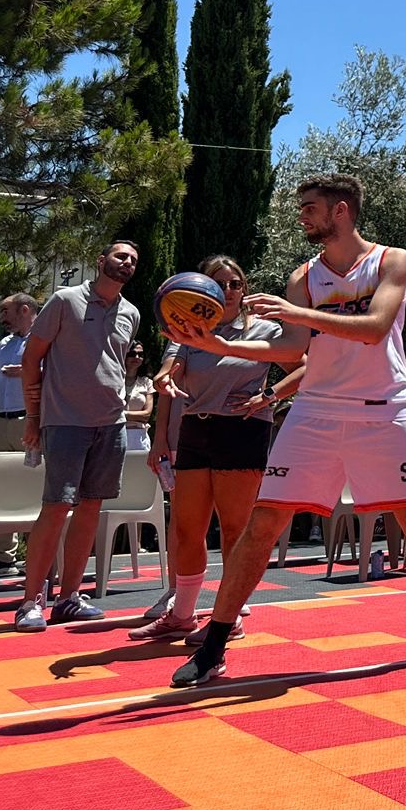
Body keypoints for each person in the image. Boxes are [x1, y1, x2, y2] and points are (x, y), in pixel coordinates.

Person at [165, 173, 406, 686]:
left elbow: (373, 329)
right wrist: (221, 347)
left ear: (341, 210)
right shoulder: (304, 276)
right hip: (317, 409)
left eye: (310, 208)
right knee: (263, 524)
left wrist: (298, 313)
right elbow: (289, 350)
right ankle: (213, 644)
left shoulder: (392, 260)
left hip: (384, 408)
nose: (301, 216)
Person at [131, 256, 293, 642]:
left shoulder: (266, 330)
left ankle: (228, 616)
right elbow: (168, 370)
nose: (228, 290)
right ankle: (182, 614)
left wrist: (269, 394)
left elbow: (306, 367)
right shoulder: (192, 331)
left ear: (244, 287)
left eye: (234, 283)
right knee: (187, 529)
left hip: (241, 430)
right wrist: (164, 381)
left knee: (235, 530)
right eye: (219, 284)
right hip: (195, 430)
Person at [15, 240, 142, 631]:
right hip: (65, 421)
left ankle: (69, 597)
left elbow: (115, 367)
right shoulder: (65, 300)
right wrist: (33, 417)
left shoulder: (131, 313)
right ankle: (30, 601)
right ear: (100, 259)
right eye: (121, 256)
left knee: (91, 509)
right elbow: (31, 358)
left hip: (112, 423)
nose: (127, 263)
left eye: (133, 260)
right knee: (56, 507)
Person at [0, 293, 38, 451]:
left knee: (30, 473)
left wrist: (29, 372)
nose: (2, 318)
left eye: (5, 311)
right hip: (0, 423)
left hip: (29, 421)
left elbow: (60, 375)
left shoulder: (47, 339)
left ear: (24, 310)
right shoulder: (4, 343)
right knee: (0, 473)